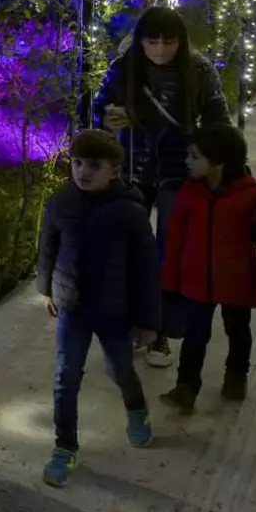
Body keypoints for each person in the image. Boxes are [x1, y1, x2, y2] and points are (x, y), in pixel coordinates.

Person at [93, 6, 230, 367]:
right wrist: (105, 117)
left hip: (179, 170)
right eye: (152, 41)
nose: (160, 49)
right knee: (129, 251)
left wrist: (214, 160)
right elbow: (94, 107)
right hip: (132, 169)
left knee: (171, 253)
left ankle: (161, 332)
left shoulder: (198, 70)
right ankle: (132, 324)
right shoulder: (124, 67)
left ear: (180, 42)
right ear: (140, 40)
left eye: (168, 42)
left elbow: (218, 120)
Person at [35, 128, 162, 487]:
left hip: (113, 310)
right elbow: (47, 248)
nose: (83, 172)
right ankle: (64, 446)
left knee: (119, 368)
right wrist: (47, 289)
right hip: (72, 306)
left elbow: (146, 269)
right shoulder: (61, 203)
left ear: (114, 170)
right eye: (77, 163)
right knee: (65, 377)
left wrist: (148, 322)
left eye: (94, 165)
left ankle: (136, 409)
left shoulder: (129, 211)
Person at [158, 124, 256, 413]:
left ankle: (236, 376)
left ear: (220, 161)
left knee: (238, 330)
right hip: (197, 279)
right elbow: (175, 239)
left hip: (234, 279)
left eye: (195, 156)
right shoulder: (189, 192)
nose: (187, 162)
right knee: (195, 334)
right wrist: (170, 280)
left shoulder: (250, 195)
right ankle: (186, 387)